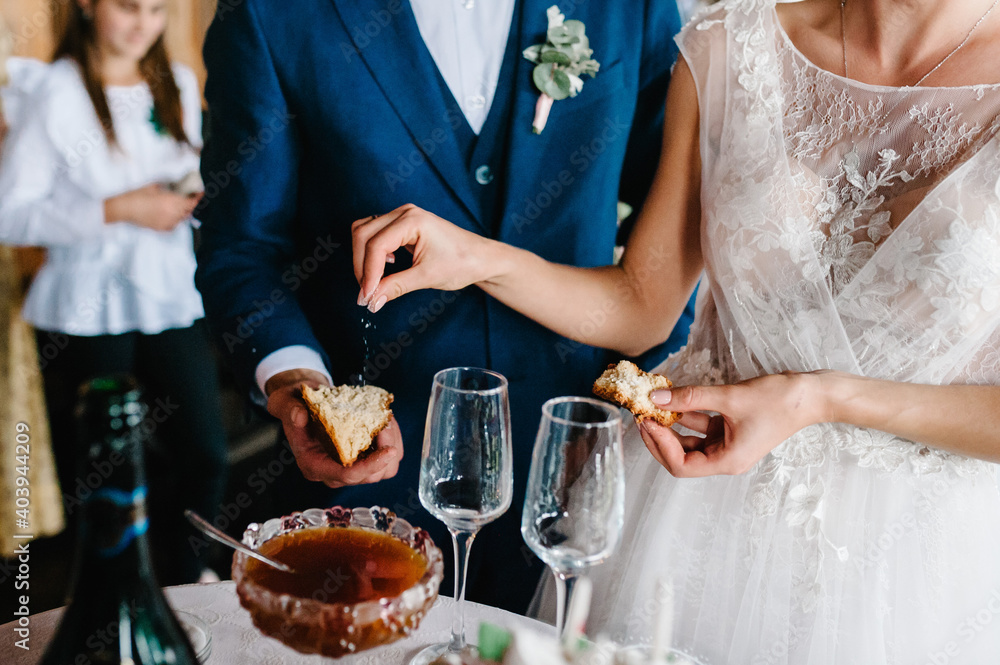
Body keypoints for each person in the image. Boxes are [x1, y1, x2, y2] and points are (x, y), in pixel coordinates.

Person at [351, 0, 1000, 660]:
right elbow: (642, 306)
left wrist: (819, 399)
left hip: (914, 561)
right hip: (686, 518)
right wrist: (477, 259)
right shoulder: (728, 46)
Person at [197, 0, 696, 612]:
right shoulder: (269, 13)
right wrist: (298, 381)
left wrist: (663, 380)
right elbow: (243, 247)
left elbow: (681, 211)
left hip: (578, 469)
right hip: (375, 491)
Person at [0, 0, 228, 585]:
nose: (143, 25)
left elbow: (193, 173)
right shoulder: (55, 91)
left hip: (169, 293)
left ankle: (183, 580)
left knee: (204, 451)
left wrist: (190, 200)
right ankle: (114, 595)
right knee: (108, 467)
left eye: (157, 10)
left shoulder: (172, 81)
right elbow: (11, 214)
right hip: (87, 305)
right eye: (128, 7)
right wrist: (120, 207)